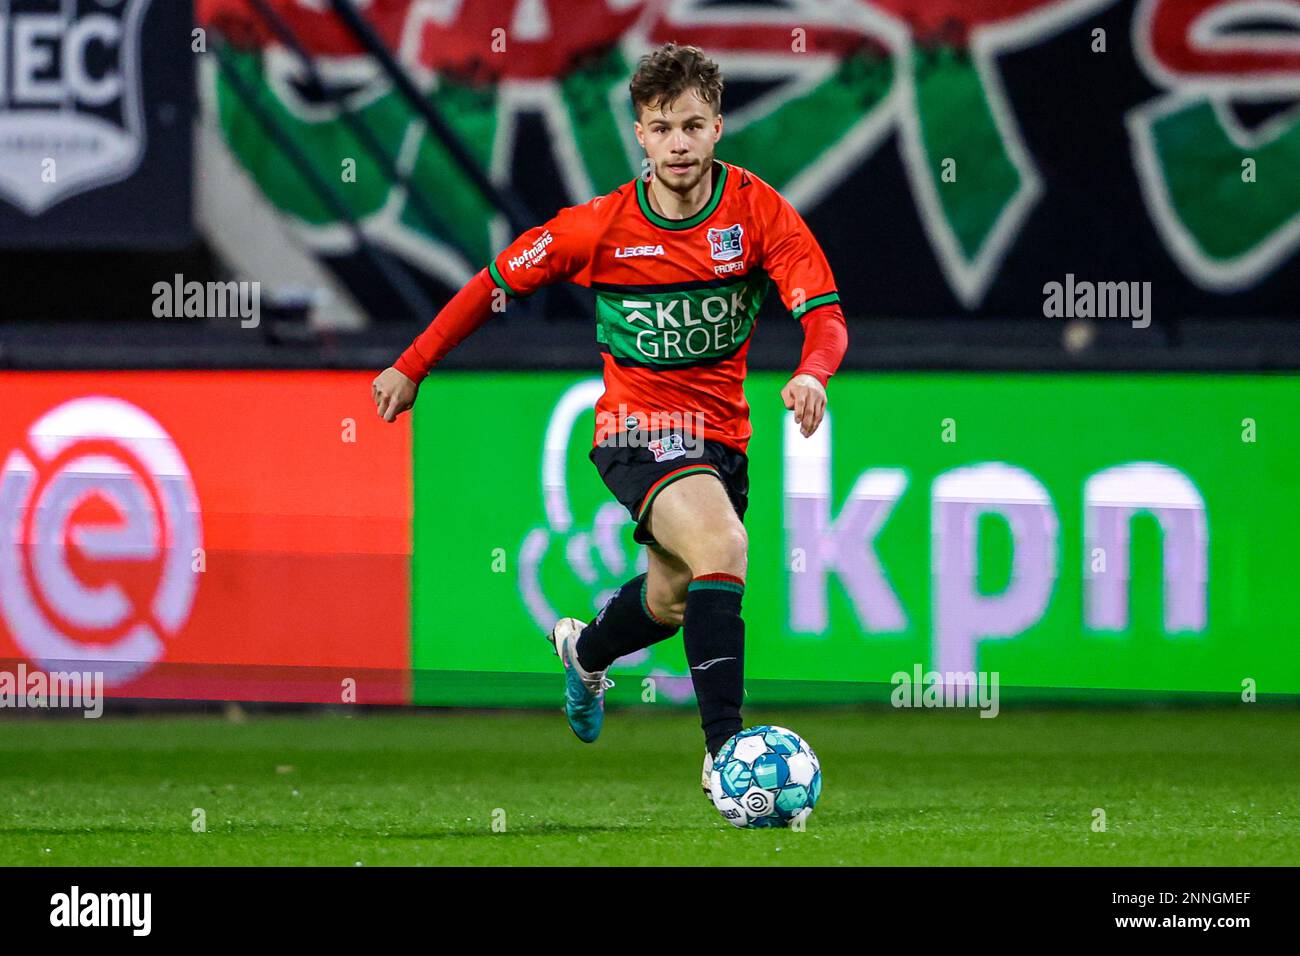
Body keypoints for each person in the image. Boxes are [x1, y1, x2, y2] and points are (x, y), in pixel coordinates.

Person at [373, 42, 847, 794]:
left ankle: (586, 652)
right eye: (662, 129)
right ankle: (727, 751)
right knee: (725, 542)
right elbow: (495, 283)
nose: (679, 143)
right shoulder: (598, 229)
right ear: (640, 135)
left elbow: (824, 316)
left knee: (671, 599)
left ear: (718, 127)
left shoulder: (759, 215)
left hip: (722, 439)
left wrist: (812, 373)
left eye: (693, 125)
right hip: (634, 431)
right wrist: (413, 363)